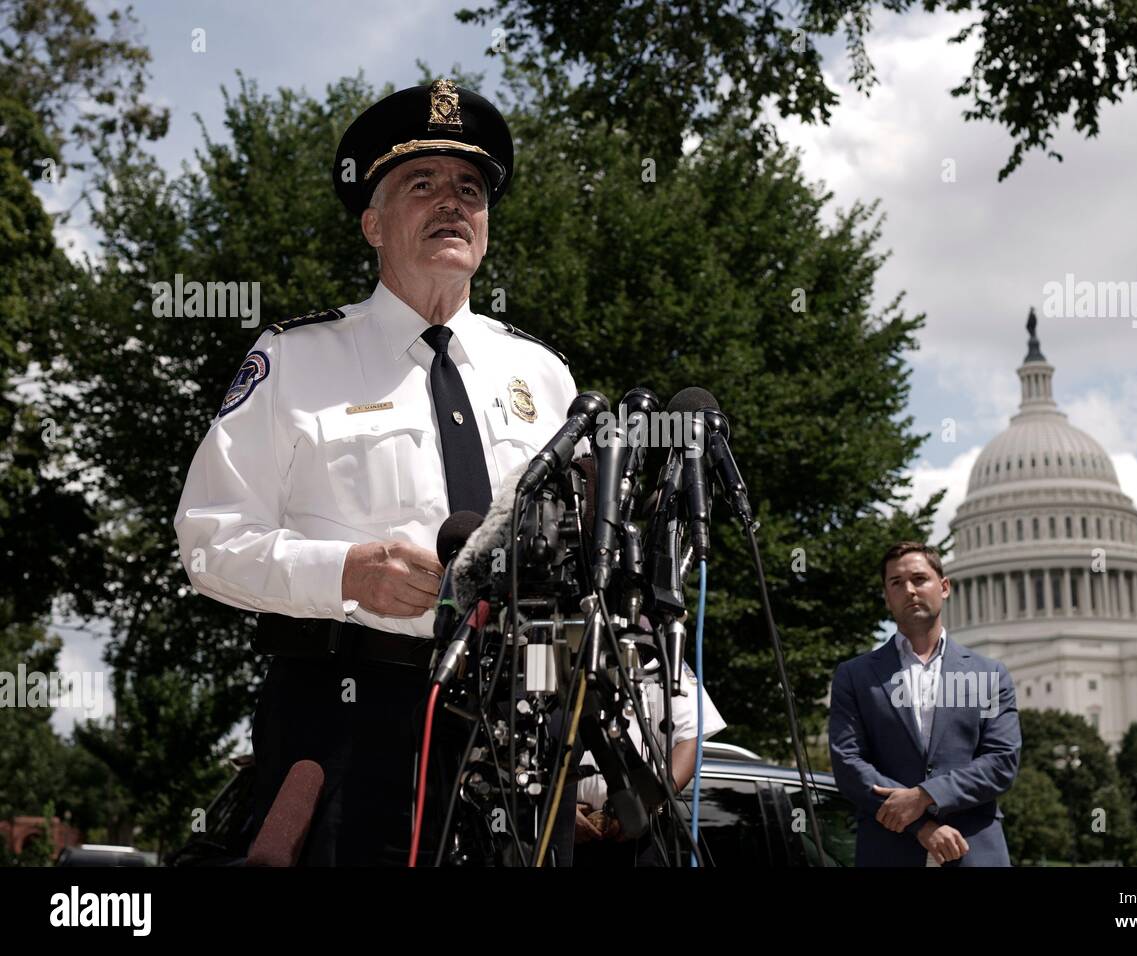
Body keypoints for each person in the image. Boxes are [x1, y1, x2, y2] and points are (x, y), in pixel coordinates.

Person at [174, 79, 581, 865]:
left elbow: (582, 568)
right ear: (372, 223)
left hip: (520, 734)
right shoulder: (295, 358)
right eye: (420, 184)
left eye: (470, 189)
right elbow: (209, 540)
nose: (452, 204)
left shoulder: (547, 377)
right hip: (347, 723)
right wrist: (344, 574)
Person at [829, 541, 1020, 866]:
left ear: (944, 587)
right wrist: (920, 825)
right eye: (896, 583)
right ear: (886, 598)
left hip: (974, 852)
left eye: (919, 579)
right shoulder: (854, 676)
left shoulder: (989, 674)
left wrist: (925, 796)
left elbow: (1001, 761)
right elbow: (848, 764)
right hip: (889, 852)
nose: (910, 590)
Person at [573, 660, 725, 866]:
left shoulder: (653, 655)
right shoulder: (554, 647)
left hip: (637, 834)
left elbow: (690, 740)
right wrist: (563, 811)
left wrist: (644, 803)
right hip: (564, 830)